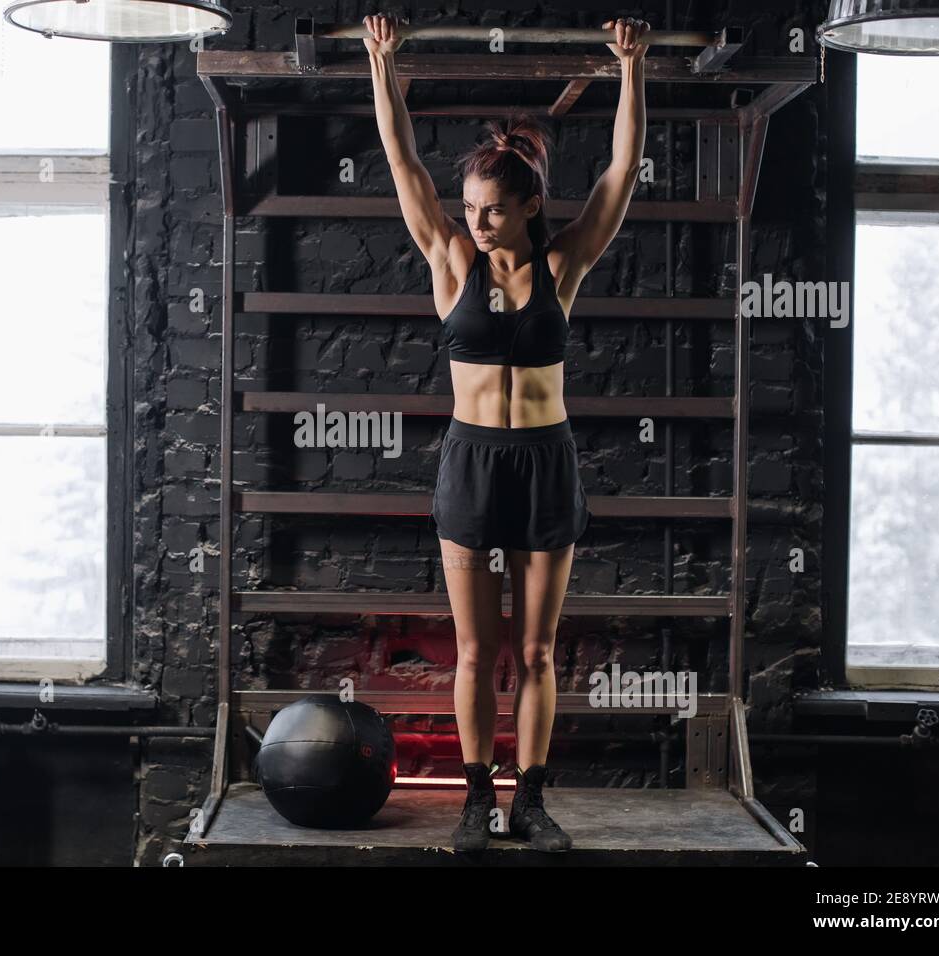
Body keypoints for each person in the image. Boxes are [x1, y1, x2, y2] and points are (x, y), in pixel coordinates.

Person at [362, 13, 649, 852]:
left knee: (537, 650)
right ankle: (475, 802)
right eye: (471, 210)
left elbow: (623, 170)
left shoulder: (564, 265)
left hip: (546, 462)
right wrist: (383, 62)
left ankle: (532, 801)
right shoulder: (450, 260)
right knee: (474, 649)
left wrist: (631, 67)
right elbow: (402, 162)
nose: (478, 223)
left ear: (528, 205)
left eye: (493, 211)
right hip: (471, 462)